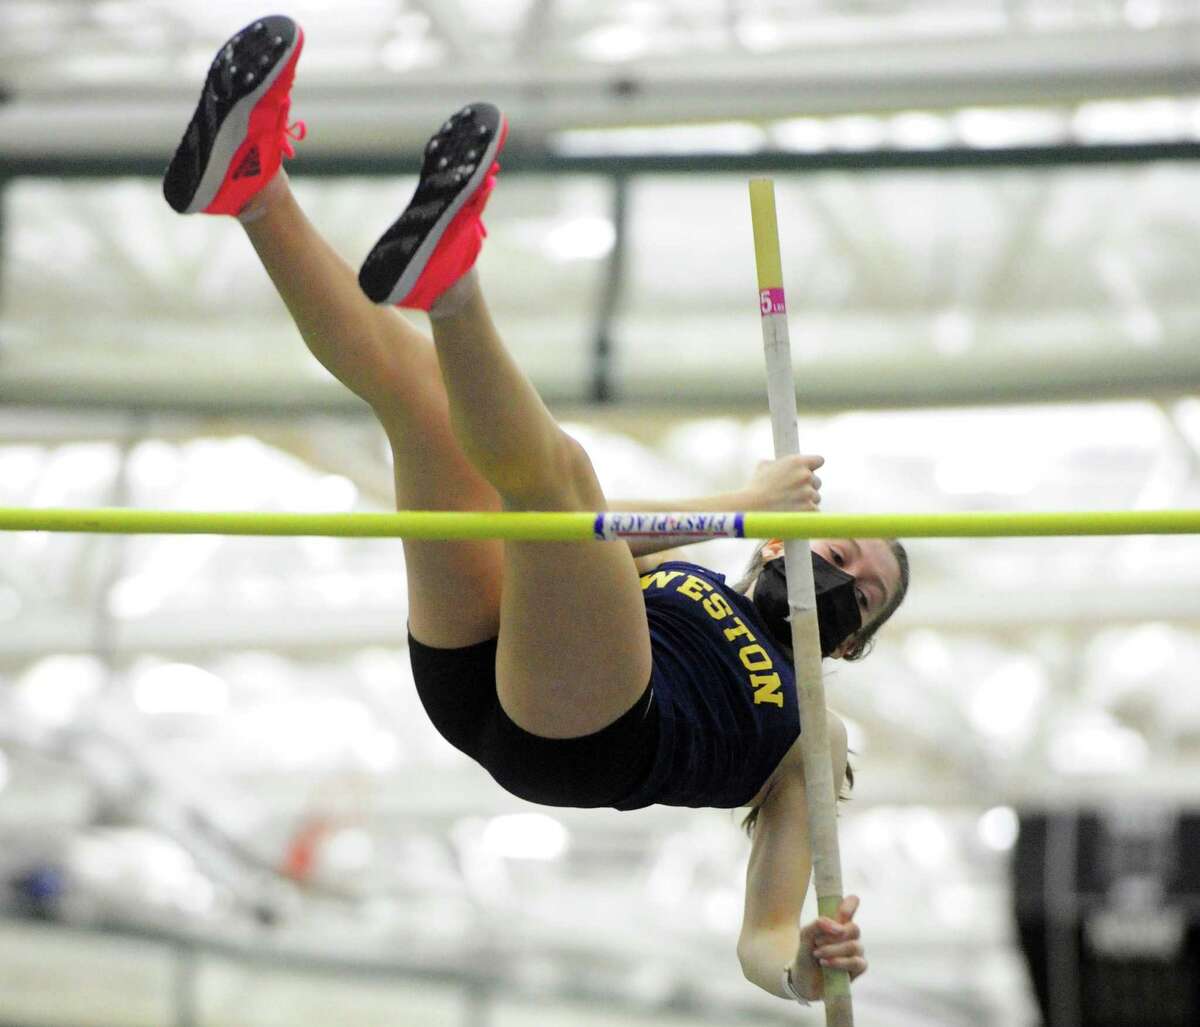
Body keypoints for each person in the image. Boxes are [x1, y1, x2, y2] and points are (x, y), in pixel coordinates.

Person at [162, 15, 910, 1006]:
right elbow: (596, 535)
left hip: (588, 734)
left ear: (853, 641)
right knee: (421, 403)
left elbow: (763, 935)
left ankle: (452, 284)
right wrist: (733, 513)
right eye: (842, 549)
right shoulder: (690, 573)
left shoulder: (820, 730)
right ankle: (251, 186)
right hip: (488, 654)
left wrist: (801, 966)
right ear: (783, 543)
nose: (844, 572)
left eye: (866, 589)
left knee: (562, 483)